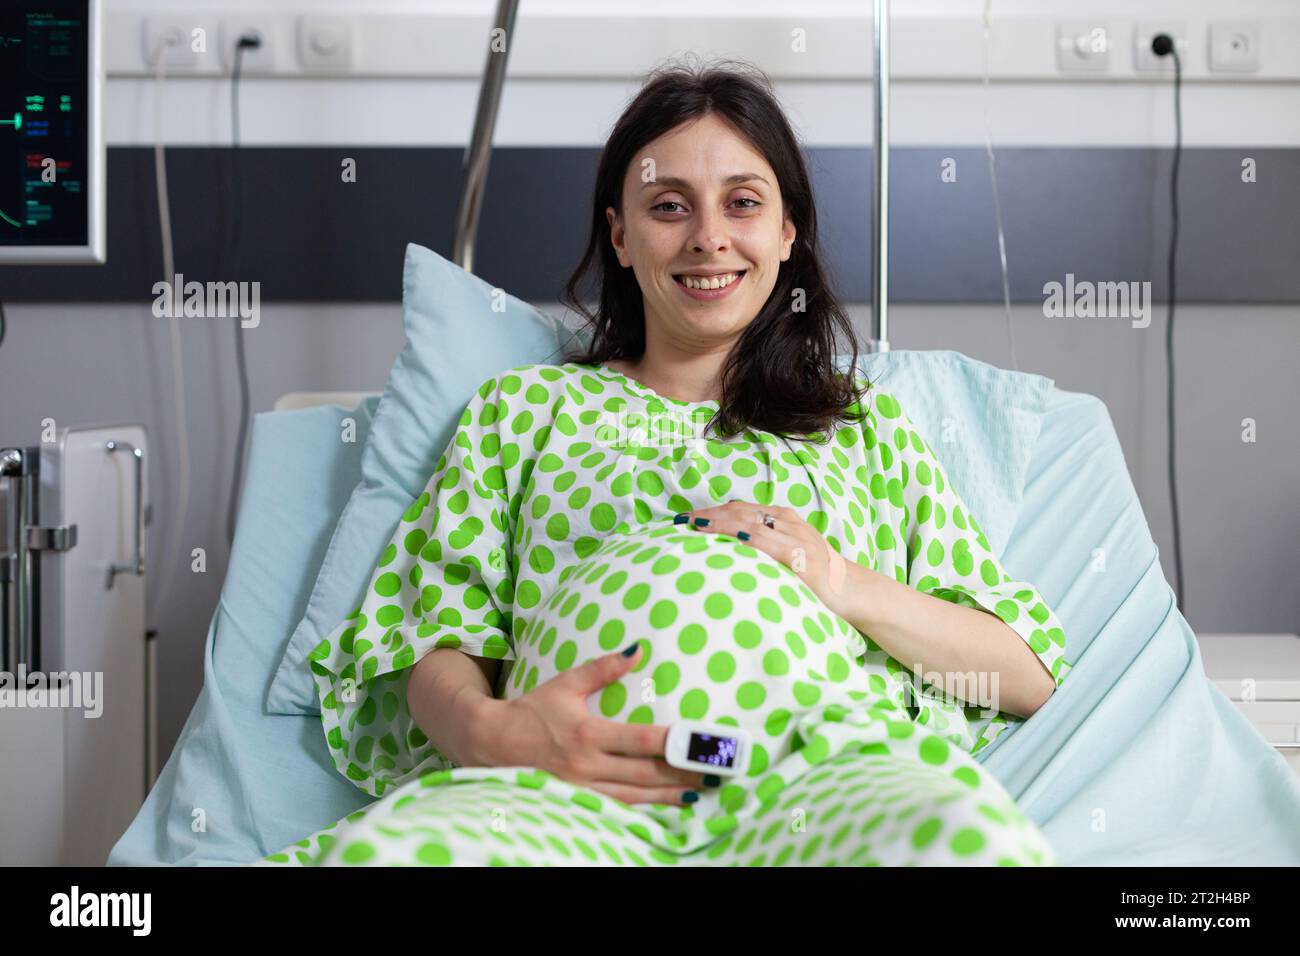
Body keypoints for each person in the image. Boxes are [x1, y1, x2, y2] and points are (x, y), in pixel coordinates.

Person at [262, 58, 1071, 868]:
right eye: (669, 206)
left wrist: (838, 580)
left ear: (787, 232)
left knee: (968, 846)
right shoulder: (524, 413)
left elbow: (1023, 673)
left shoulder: (862, 428)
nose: (709, 237)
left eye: (743, 203)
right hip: (559, 788)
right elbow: (433, 630)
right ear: (620, 233)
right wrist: (492, 731)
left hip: (817, 782)